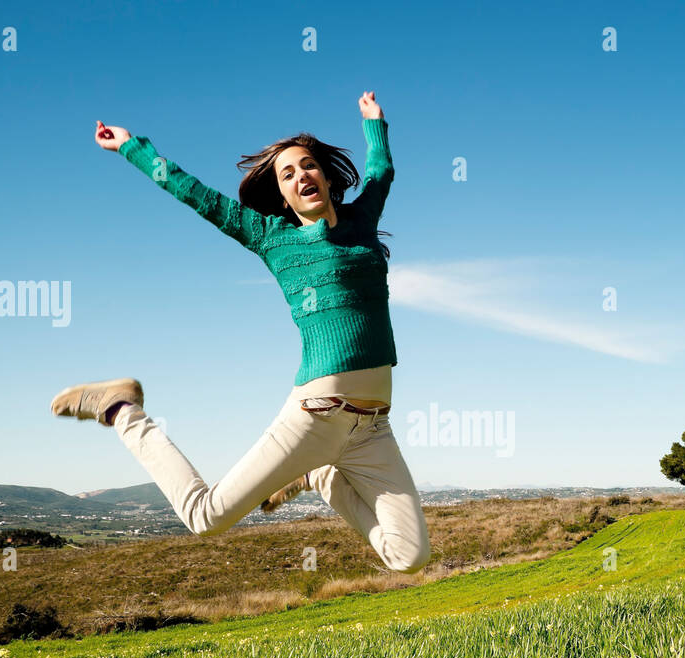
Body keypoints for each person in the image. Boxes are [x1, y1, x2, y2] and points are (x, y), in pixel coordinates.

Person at [50, 92, 430, 574]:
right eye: (287, 174)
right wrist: (132, 148)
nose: (301, 176)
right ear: (284, 196)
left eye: (308, 165)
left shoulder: (362, 221)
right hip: (314, 416)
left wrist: (375, 123)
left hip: (373, 427)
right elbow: (197, 195)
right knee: (204, 517)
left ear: (328, 178)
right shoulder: (273, 238)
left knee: (409, 556)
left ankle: (321, 475)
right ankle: (121, 409)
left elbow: (381, 170)